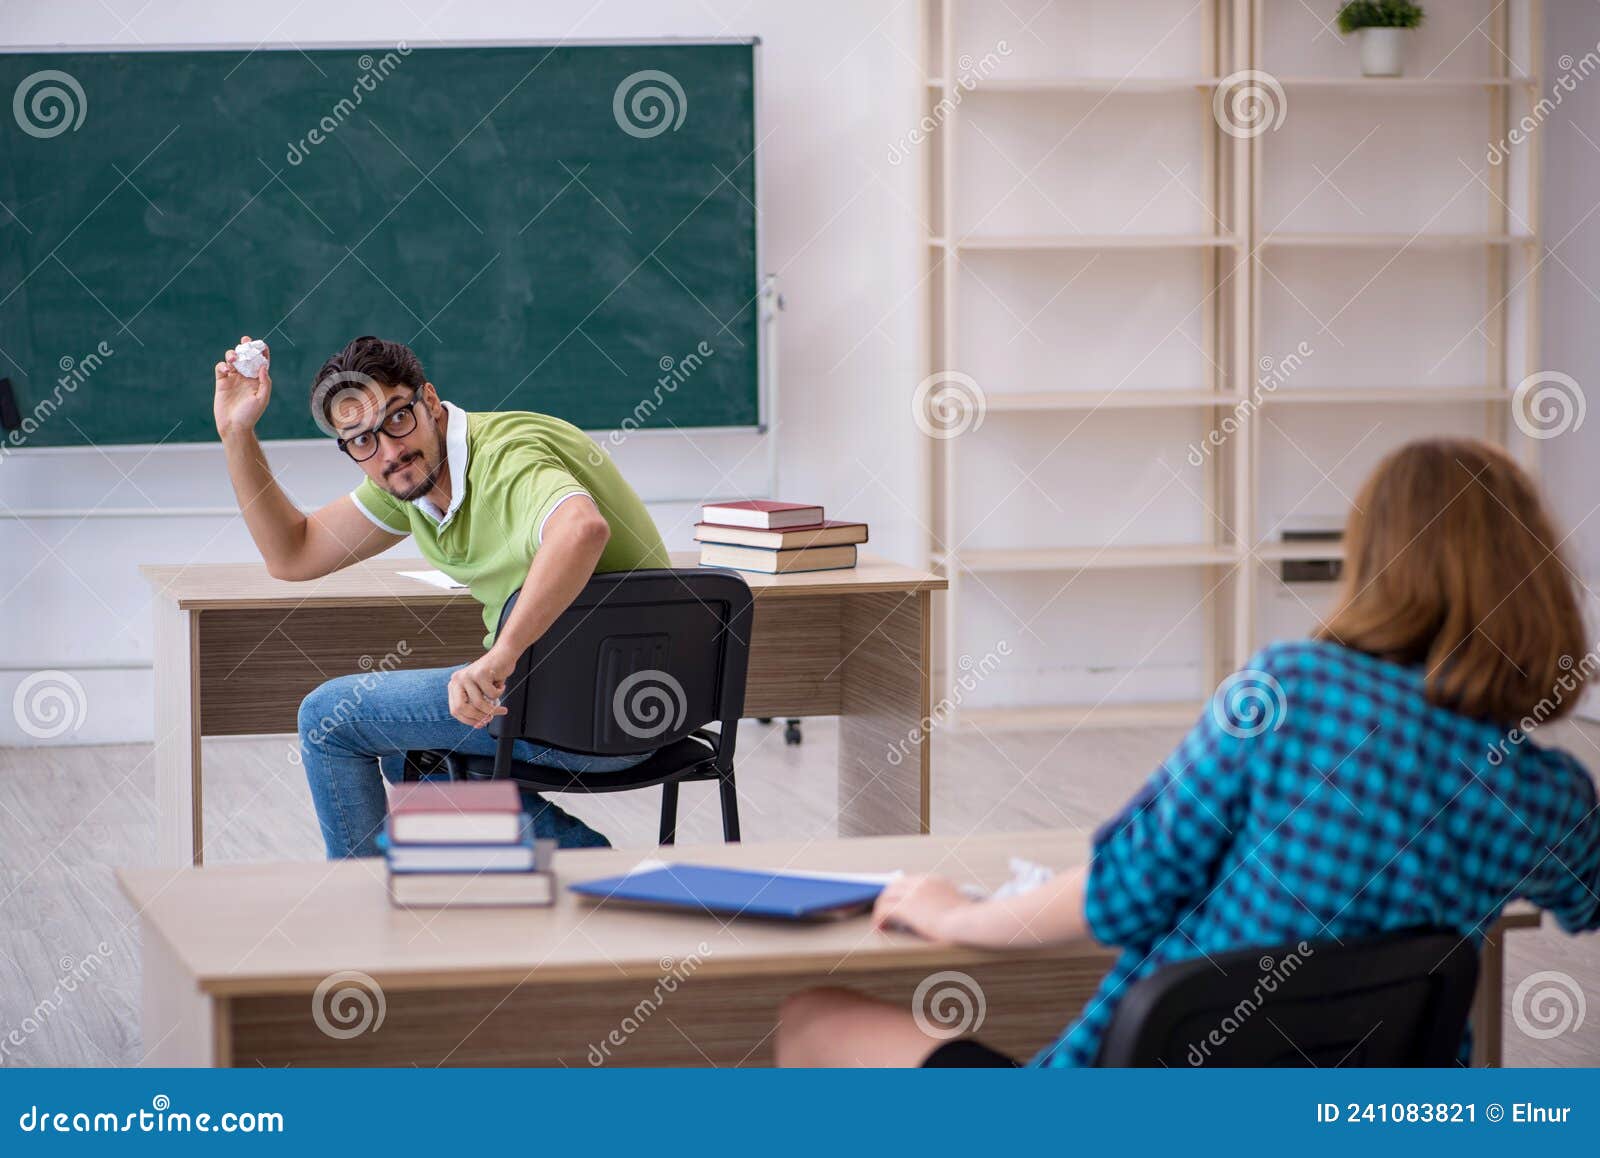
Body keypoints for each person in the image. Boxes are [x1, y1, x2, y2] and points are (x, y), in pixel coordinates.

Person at [776, 437, 1600, 1067]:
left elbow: (1127, 893)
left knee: (812, 1017)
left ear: (1375, 565)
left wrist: (952, 912)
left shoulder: (1293, 691)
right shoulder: (1544, 794)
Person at [212, 334, 671, 857]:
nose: (388, 450)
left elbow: (581, 528)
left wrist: (500, 656)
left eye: (397, 419)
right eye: (361, 441)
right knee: (402, 751)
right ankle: (577, 860)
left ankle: (356, 911)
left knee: (329, 719)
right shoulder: (409, 478)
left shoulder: (503, 456)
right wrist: (236, 433)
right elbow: (292, 555)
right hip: (635, 703)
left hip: (606, 711)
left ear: (429, 401)